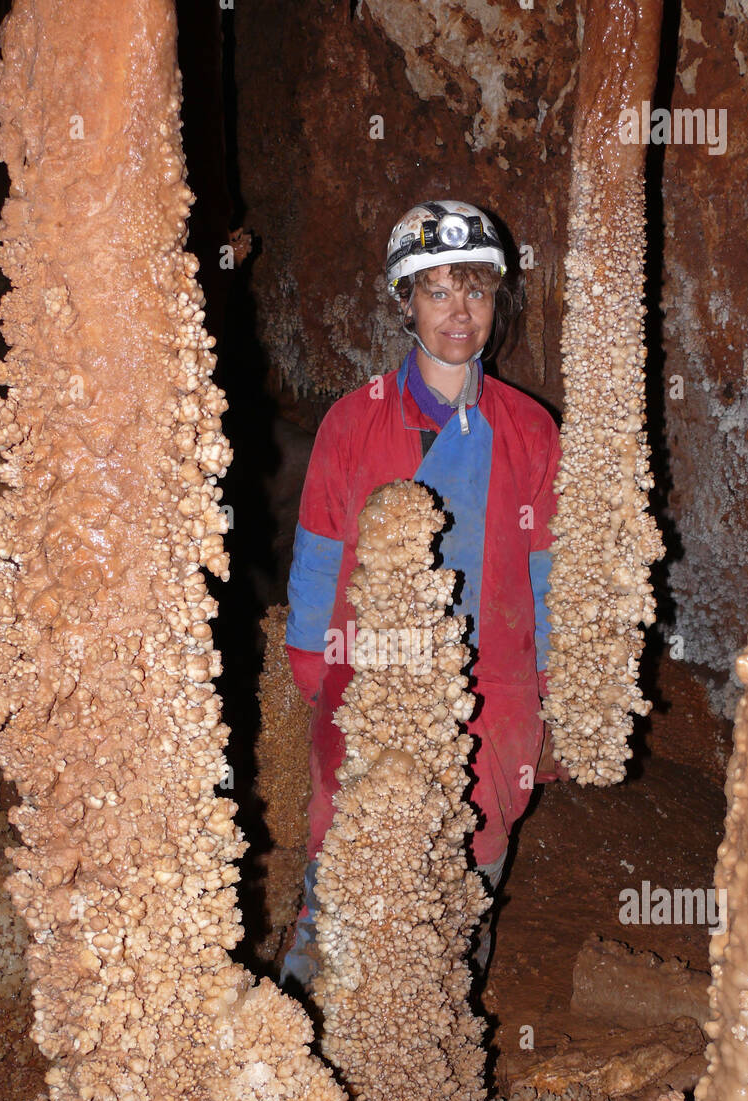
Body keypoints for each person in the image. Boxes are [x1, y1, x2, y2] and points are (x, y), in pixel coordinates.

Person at [280, 198, 563, 990]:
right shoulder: (352, 423)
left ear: (495, 299)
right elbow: (319, 549)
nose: (458, 312)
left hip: (494, 682)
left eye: (473, 289)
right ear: (405, 302)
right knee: (345, 843)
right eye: (436, 291)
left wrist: (553, 684)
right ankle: (310, 1008)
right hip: (369, 674)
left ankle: (437, 1020)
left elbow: (547, 565)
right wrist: (315, 663)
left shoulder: (529, 429)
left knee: (472, 852)